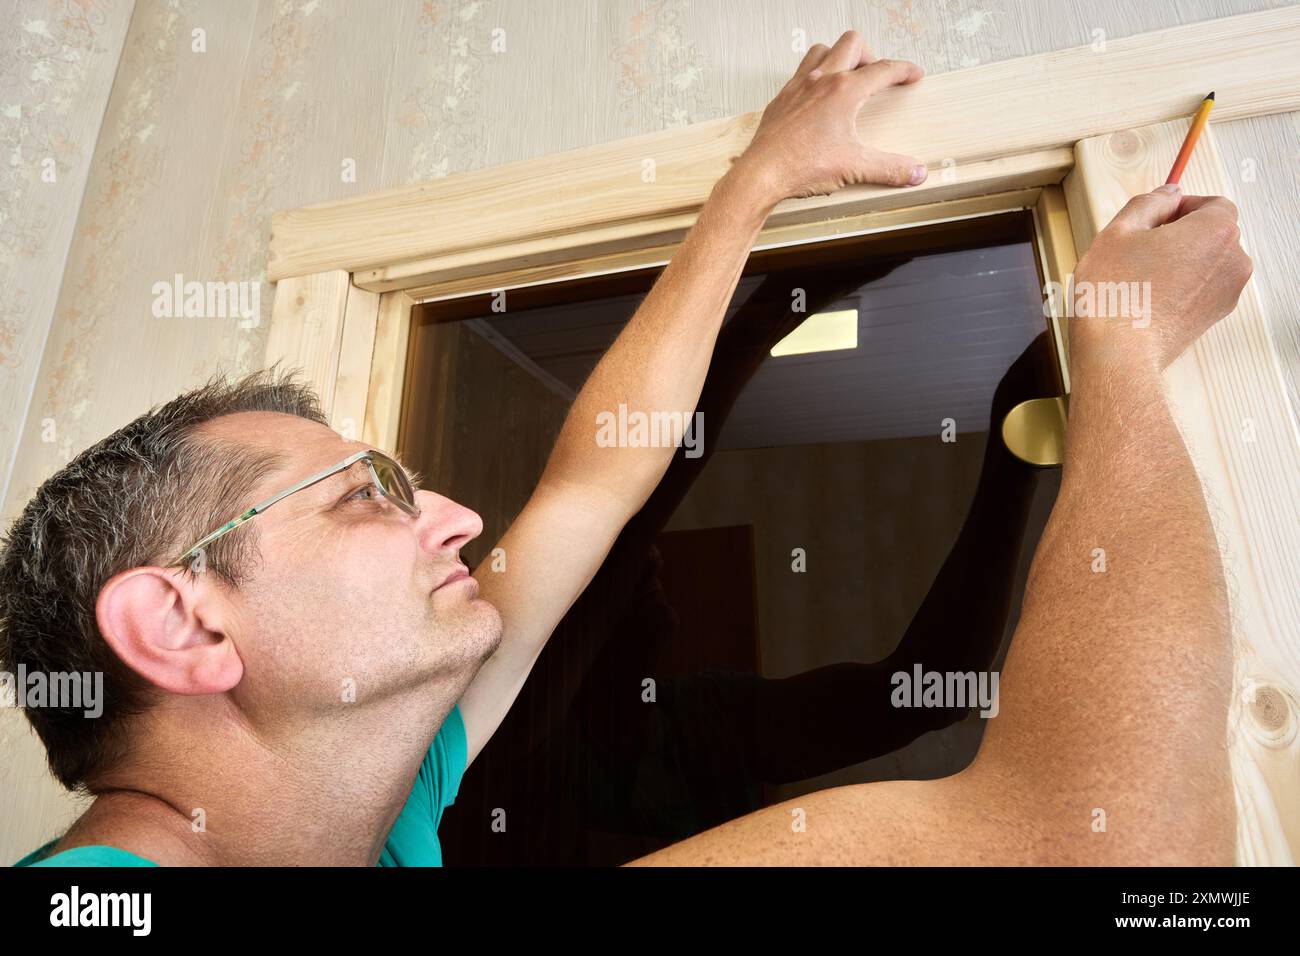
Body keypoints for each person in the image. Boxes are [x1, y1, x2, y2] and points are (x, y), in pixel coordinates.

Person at [2, 31, 1247, 866]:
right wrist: (1122, 346)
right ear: (186, 623)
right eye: (362, 496)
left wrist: (756, 185)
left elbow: (595, 482)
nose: (453, 516)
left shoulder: (391, 813)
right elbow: (1120, 845)